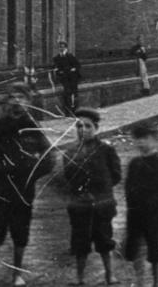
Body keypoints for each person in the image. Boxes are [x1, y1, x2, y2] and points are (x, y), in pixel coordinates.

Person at [0, 83, 53, 287]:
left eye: (21, 97)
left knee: (20, 234)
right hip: (2, 191)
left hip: (24, 191)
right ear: (7, 101)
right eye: (13, 97)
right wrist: (3, 167)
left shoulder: (33, 126)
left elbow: (49, 160)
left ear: (29, 102)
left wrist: (30, 170)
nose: (17, 101)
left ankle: (16, 275)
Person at [61, 108, 120, 286]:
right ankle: (80, 278)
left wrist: (101, 190)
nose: (83, 129)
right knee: (80, 244)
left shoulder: (106, 150)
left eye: (88, 126)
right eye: (79, 126)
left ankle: (110, 275)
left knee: (105, 240)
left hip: (102, 204)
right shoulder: (70, 152)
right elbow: (68, 176)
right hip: (80, 206)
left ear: (96, 128)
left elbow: (116, 175)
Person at [124, 123, 158, 287]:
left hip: (154, 215)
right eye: (137, 139)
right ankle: (139, 281)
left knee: (155, 250)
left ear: (155, 141)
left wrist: (157, 204)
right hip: (135, 214)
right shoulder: (135, 163)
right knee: (134, 250)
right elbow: (128, 187)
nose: (141, 143)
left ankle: (157, 283)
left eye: (145, 139)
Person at [52, 40, 83, 116]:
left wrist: (74, 69)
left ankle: (75, 111)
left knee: (74, 93)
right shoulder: (57, 58)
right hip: (64, 78)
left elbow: (78, 65)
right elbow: (56, 67)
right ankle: (68, 112)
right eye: (60, 47)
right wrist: (58, 71)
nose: (61, 49)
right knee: (67, 93)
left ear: (66, 48)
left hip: (72, 78)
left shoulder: (70, 56)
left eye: (63, 47)